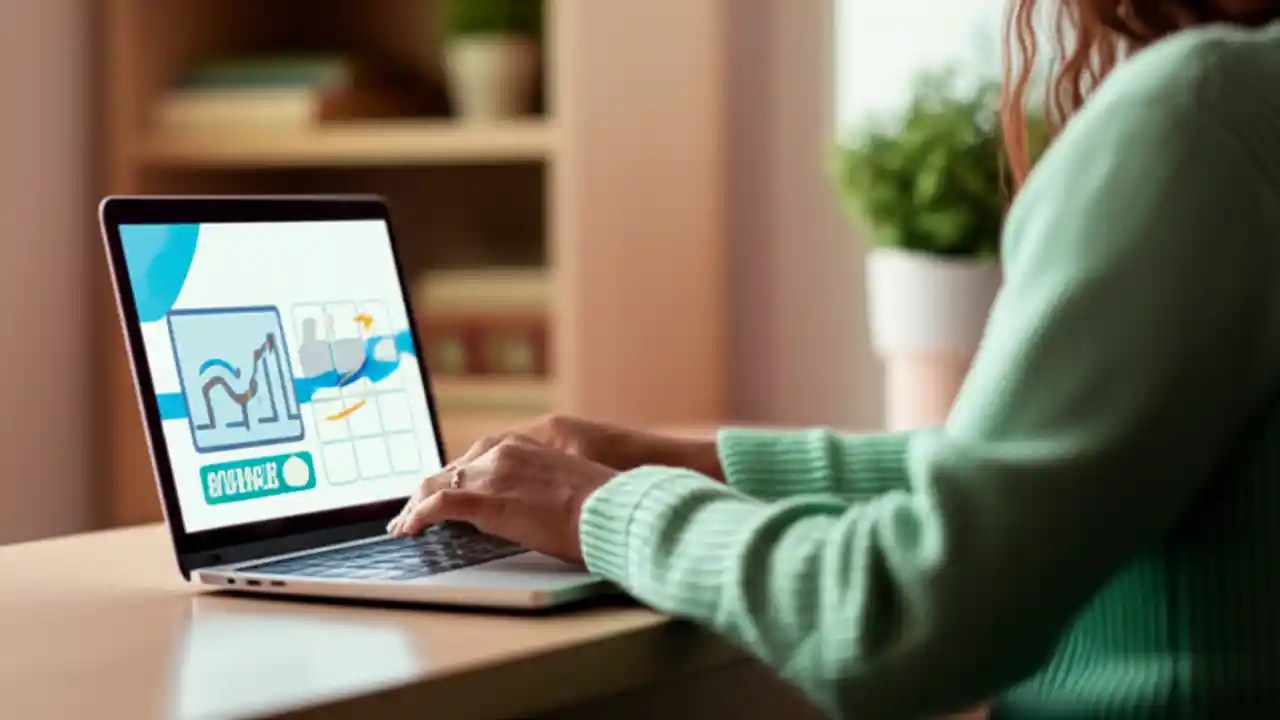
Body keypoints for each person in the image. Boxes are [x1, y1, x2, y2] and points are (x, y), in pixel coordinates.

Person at [390, 0, 1280, 716]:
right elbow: (1063, 470)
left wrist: (601, 506)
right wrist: (694, 460)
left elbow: (905, 620)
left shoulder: (1203, 111)